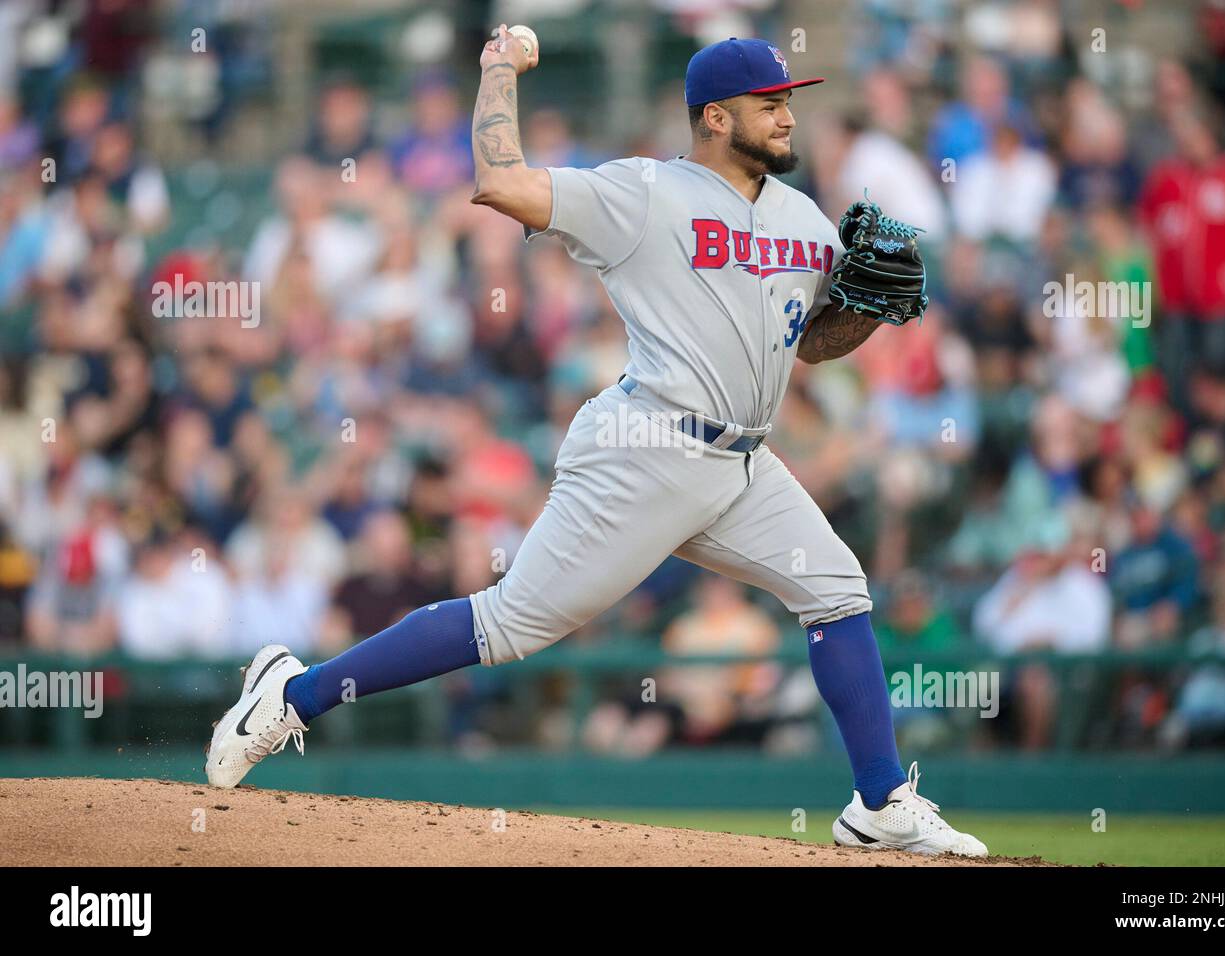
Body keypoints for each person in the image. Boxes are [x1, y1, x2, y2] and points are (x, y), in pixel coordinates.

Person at [204, 28, 988, 857]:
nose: (788, 117)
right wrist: (499, 68)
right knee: (509, 626)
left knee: (836, 588)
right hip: (645, 448)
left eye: (790, 100)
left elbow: (814, 343)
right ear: (716, 118)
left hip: (741, 462)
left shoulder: (805, 220)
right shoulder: (643, 193)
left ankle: (879, 803)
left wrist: (862, 312)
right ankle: (292, 696)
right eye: (770, 104)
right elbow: (498, 182)